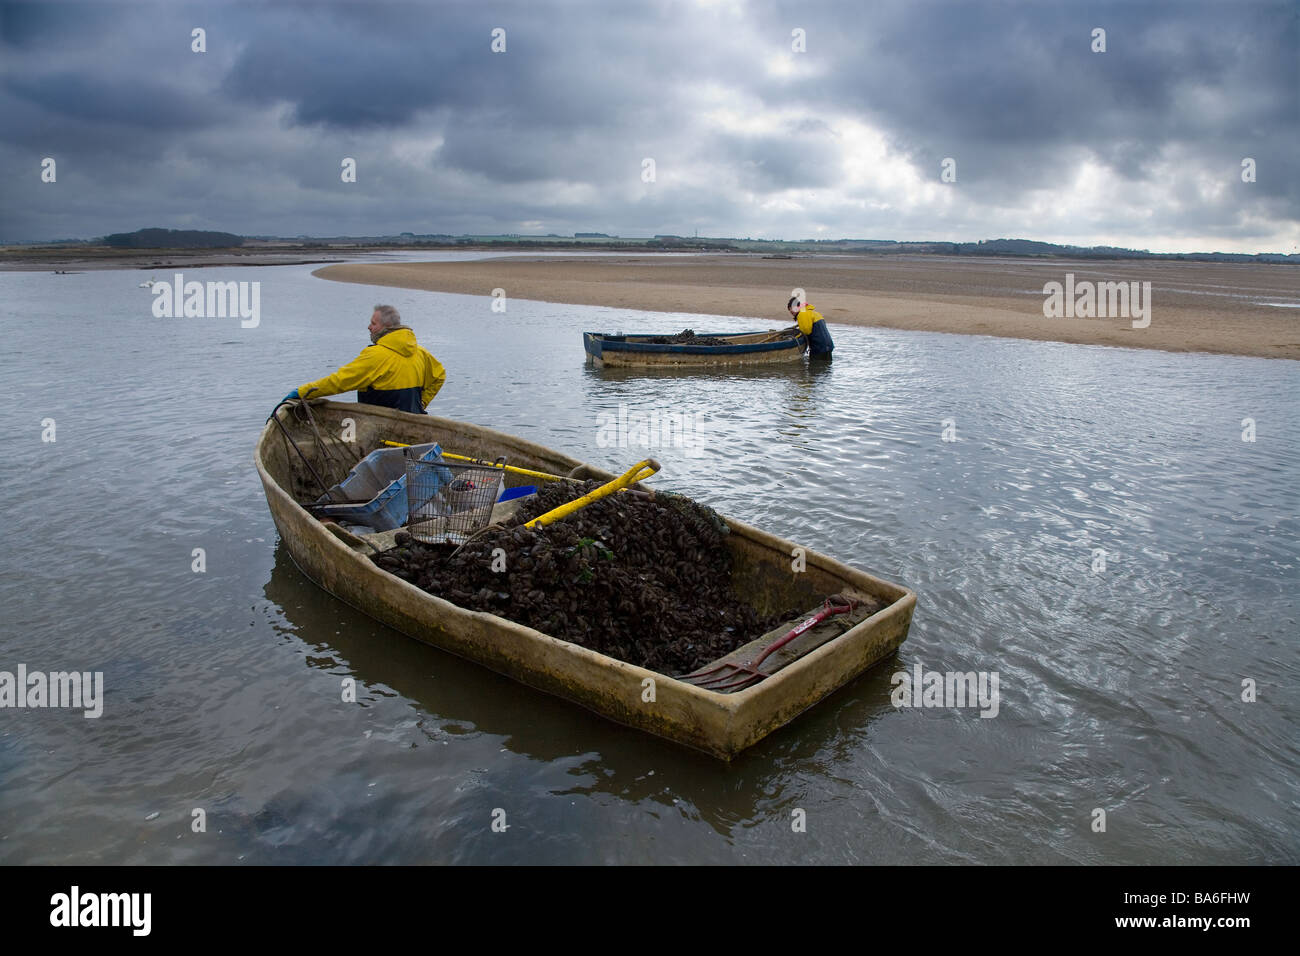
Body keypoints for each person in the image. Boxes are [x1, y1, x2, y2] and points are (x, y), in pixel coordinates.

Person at [281, 305, 446, 414]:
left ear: (387, 327)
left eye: (373, 323)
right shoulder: (421, 352)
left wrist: (303, 392)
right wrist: (420, 404)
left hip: (380, 425)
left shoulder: (375, 356)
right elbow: (439, 376)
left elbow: (340, 381)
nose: (369, 327)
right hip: (413, 421)